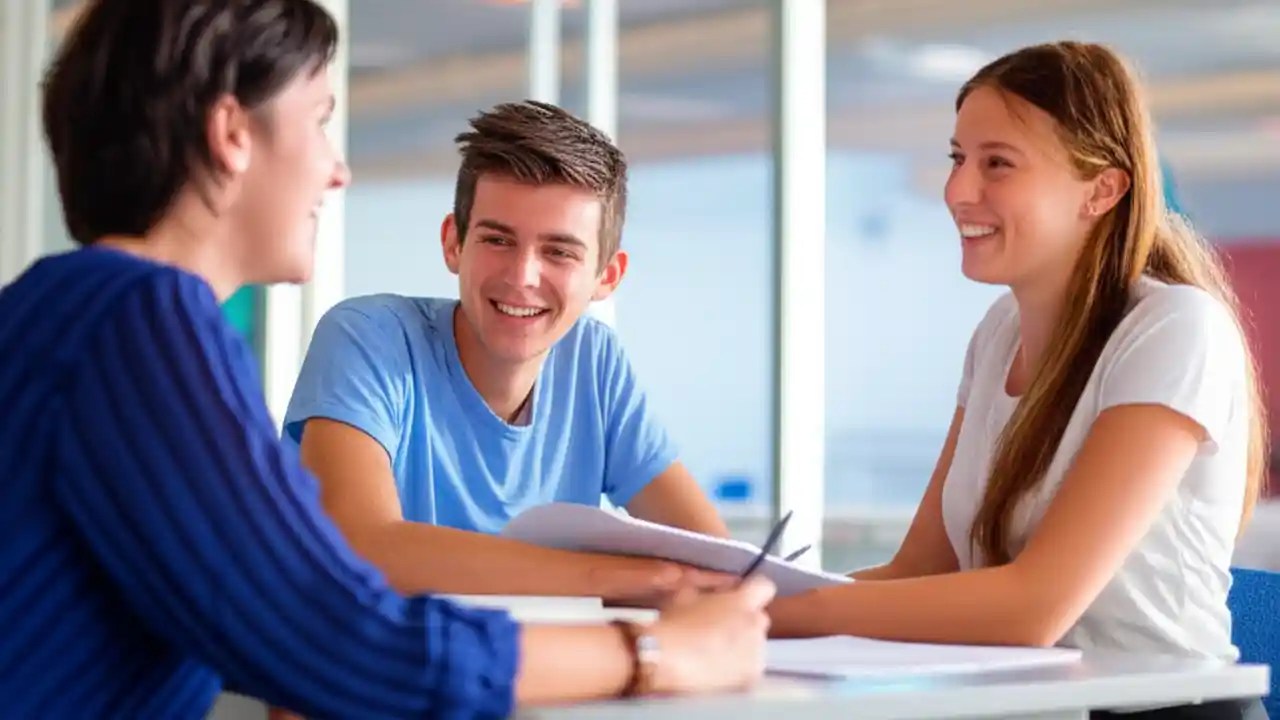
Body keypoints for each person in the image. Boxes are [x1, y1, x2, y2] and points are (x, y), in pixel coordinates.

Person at [0, 1, 774, 717]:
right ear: (232, 133)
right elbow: (336, 633)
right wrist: (654, 650)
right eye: (320, 120)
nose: (338, 170)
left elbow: (285, 609)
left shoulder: (87, 313)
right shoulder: (137, 319)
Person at [766, 41, 1269, 719]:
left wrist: (781, 613)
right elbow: (922, 569)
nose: (957, 190)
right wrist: (746, 597)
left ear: (1103, 189)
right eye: (957, 159)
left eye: (996, 164)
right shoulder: (998, 334)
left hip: (1157, 710)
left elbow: (1034, 606)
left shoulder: (1174, 328)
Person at [280, 99, 733, 602]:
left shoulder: (593, 361)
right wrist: (619, 580)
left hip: (537, 669)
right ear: (454, 243)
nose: (522, 277)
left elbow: (715, 561)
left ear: (607, 276)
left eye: (559, 251)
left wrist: (827, 599)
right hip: (363, 672)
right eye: (498, 240)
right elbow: (364, 546)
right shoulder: (368, 337)